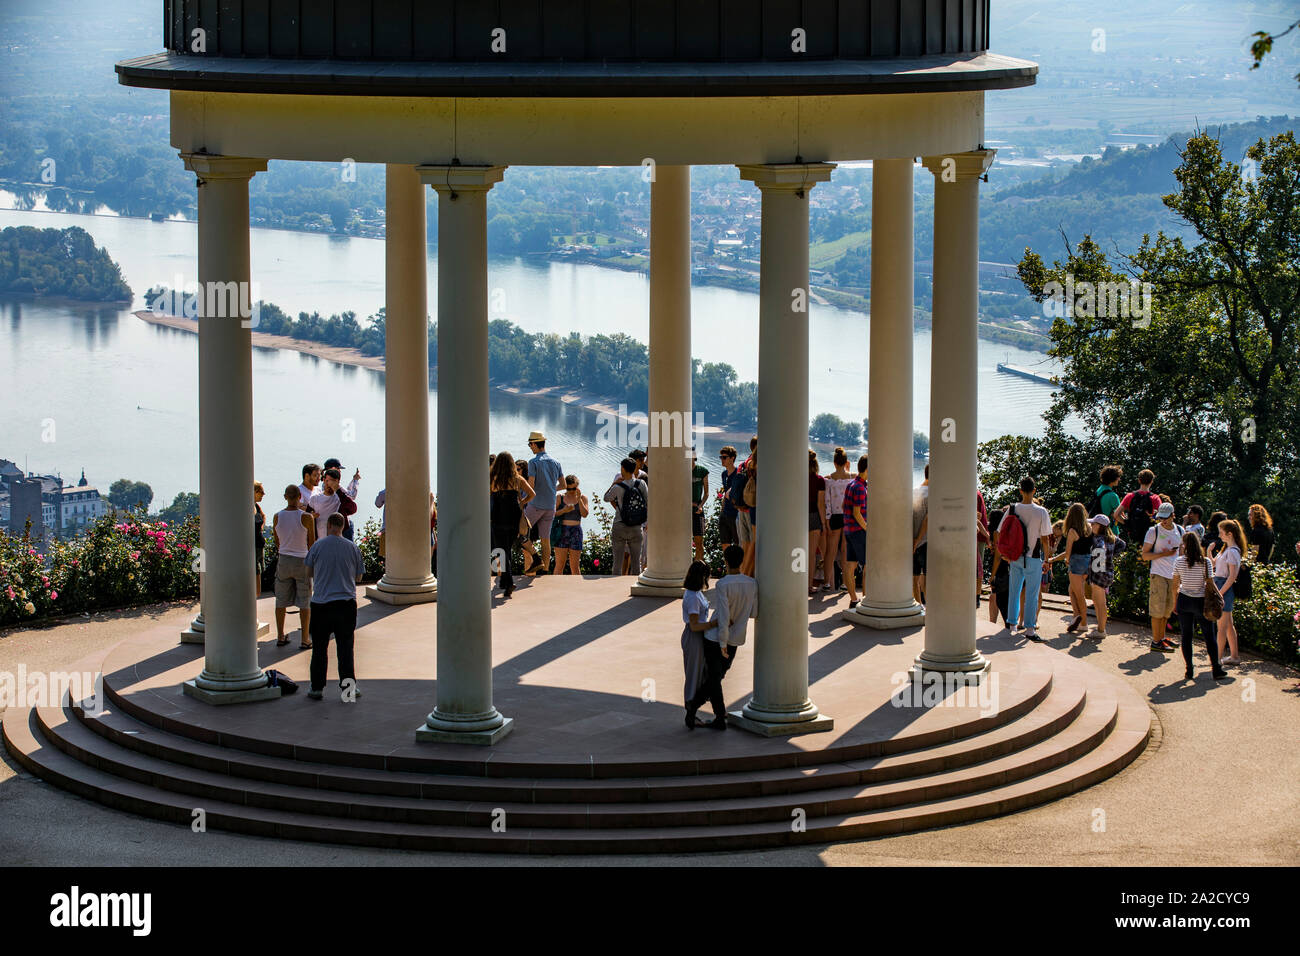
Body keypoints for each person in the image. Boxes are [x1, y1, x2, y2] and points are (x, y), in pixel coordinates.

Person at [687, 545, 756, 732]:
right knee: (717, 677)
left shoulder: (723, 584)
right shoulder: (752, 584)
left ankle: (694, 707)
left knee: (715, 678)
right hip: (734, 639)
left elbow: (724, 616)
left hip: (715, 638)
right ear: (742, 561)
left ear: (725, 561)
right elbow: (754, 612)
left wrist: (722, 643)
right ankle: (717, 716)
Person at [304, 513, 365, 701]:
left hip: (321, 604)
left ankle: (316, 688)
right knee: (346, 648)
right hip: (346, 604)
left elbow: (308, 572)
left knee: (319, 649)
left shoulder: (317, 546)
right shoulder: (352, 548)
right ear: (343, 526)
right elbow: (359, 577)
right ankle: (348, 691)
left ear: (329, 525)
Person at [999, 477, 1052, 641]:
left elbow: (1001, 531)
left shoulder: (1013, 508)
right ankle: (1029, 628)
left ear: (1020, 491)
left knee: (1014, 591)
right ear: (1034, 491)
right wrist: (1047, 559)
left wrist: (1005, 554)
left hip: (1015, 556)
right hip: (1034, 557)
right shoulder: (1041, 511)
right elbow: (1045, 538)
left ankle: (1012, 625)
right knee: (1032, 594)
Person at [1171, 531, 1226, 681]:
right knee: (1209, 636)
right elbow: (1210, 583)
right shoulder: (1206, 562)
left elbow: (1175, 584)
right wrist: (1220, 597)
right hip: (1201, 601)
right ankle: (1216, 668)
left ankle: (1189, 669)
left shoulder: (1179, 561)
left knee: (1186, 636)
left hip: (1184, 600)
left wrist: (1174, 602)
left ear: (1184, 545)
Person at [273, 484, 316, 647]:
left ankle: (280, 635)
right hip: (302, 560)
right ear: (299, 497)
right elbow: (311, 542)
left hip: (283, 559)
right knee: (305, 600)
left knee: (281, 600)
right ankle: (305, 639)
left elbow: (277, 540)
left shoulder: (277, 516)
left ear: (285, 497)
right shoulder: (306, 517)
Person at [680, 560, 719, 730]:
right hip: (694, 637)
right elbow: (695, 625)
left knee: (700, 673)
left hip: (698, 637)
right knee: (694, 674)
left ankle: (693, 708)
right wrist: (714, 624)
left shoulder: (695, 593)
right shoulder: (693, 597)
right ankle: (690, 712)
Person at [1141, 501, 1184, 652]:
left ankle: (1162, 637)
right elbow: (1145, 555)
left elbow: (1182, 553)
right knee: (1157, 608)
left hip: (1174, 575)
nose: (1163, 521)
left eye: (1166, 517)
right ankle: (1156, 640)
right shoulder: (1153, 531)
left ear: (1173, 515)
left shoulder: (1180, 530)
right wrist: (1163, 554)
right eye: (1161, 518)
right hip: (1158, 573)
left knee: (1168, 609)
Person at [490, 452, 532, 598]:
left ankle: (507, 581)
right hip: (514, 517)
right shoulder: (517, 479)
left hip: (498, 517)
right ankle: (505, 581)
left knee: (499, 549)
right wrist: (522, 502)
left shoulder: (493, 479)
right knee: (506, 549)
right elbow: (532, 493)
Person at [523, 431, 564, 575]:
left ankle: (535, 558)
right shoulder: (556, 462)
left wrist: (522, 500)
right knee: (545, 540)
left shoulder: (533, 462)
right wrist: (551, 489)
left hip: (535, 505)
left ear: (534, 444)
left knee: (520, 532)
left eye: (530, 444)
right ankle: (545, 570)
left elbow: (531, 486)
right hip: (550, 506)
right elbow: (563, 485)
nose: (530, 447)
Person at [604, 457, 648, 576]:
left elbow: (606, 498)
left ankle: (615, 590)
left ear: (623, 469)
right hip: (636, 526)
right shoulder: (641, 484)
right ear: (634, 469)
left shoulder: (618, 487)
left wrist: (614, 483)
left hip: (620, 525)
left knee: (617, 563)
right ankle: (636, 590)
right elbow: (648, 502)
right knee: (636, 563)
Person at [1214, 519, 1247, 665]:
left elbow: (1232, 576)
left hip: (1224, 586)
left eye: (1222, 533)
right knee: (1227, 625)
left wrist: (1220, 593)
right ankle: (1234, 656)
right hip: (1221, 584)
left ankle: (1218, 658)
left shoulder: (1232, 551)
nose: (1220, 536)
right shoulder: (1227, 549)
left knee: (1221, 627)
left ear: (1230, 534)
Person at [1085, 514, 1124, 637]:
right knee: (1099, 601)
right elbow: (1123, 544)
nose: (1091, 526)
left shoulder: (1099, 540)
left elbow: (1100, 551)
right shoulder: (1111, 538)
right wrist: (1111, 556)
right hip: (1107, 572)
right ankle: (1100, 628)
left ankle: (1101, 630)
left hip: (1099, 574)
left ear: (1099, 526)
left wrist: (1098, 569)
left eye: (1093, 524)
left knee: (1100, 603)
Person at [1058, 503, 1092, 634]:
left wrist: (1067, 561)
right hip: (1087, 561)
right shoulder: (1089, 528)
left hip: (1076, 561)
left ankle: (1083, 622)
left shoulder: (1072, 531)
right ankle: (1076, 615)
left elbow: (1068, 551)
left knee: (1079, 594)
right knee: (1072, 590)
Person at [823, 447, 852, 594]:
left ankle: (827, 582)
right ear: (846, 462)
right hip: (847, 516)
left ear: (834, 462)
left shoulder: (829, 480)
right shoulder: (851, 479)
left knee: (831, 551)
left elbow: (827, 501)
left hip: (834, 516)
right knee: (846, 550)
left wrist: (827, 519)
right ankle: (846, 583)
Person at [842, 455, 869, 609]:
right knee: (867, 566)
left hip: (849, 530)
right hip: (859, 531)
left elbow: (843, 505)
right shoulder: (860, 488)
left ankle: (854, 599)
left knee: (850, 565)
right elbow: (857, 513)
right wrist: (868, 529)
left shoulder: (851, 484)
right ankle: (866, 601)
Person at [552, 474, 588, 575]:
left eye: (574, 488)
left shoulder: (583, 498)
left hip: (576, 530)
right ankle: (555, 588)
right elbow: (552, 514)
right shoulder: (560, 497)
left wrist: (579, 499)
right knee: (559, 564)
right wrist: (564, 510)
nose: (571, 491)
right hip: (562, 530)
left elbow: (584, 514)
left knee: (575, 566)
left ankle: (576, 589)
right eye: (569, 489)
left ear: (577, 486)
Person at [1118, 469, 1162, 545]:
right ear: (1151, 481)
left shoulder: (1130, 496)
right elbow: (1162, 516)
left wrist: (1127, 524)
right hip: (1149, 534)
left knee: (1134, 553)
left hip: (1133, 533)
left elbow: (1116, 514)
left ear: (1139, 480)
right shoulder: (1155, 498)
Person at [324, 457, 360, 540]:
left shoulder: (324, 486)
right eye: (338, 469)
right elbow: (351, 496)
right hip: (340, 523)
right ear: (333, 468)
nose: (340, 471)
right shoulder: (335, 486)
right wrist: (355, 481)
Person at [807, 449, 827, 596]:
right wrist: (824, 524)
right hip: (814, 517)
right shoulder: (819, 480)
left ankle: (798, 582)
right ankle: (808, 585)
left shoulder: (798, 477)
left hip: (799, 516)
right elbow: (821, 504)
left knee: (800, 551)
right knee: (812, 554)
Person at [986, 506, 1011, 626]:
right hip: (1006, 565)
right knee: (1004, 597)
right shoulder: (1005, 532)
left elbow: (997, 556)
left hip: (998, 567)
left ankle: (993, 622)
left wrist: (992, 575)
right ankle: (1008, 623)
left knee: (996, 596)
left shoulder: (994, 534)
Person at [307, 468, 344, 541]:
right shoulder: (314, 498)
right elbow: (306, 517)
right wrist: (311, 516)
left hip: (336, 540)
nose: (329, 484)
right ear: (323, 480)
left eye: (332, 482)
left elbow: (352, 508)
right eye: (327, 481)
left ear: (338, 482)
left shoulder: (339, 499)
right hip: (319, 541)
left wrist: (338, 490)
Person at [911, 464, 929, 604]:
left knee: (914, 578)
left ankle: (918, 606)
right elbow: (927, 520)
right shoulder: (932, 494)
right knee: (928, 578)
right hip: (925, 540)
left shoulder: (914, 491)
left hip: (911, 540)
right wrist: (918, 540)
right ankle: (929, 610)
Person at [718, 446, 740, 548]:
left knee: (737, 546)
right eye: (721, 457)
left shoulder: (738, 475)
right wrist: (722, 511)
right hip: (724, 514)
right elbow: (725, 493)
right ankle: (728, 565)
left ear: (732, 458)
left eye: (724, 457)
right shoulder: (723, 474)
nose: (722, 460)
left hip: (735, 515)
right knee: (725, 546)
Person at [691, 450, 709, 563]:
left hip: (698, 511)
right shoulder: (681, 471)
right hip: (684, 511)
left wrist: (700, 506)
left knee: (699, 542)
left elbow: (706, 493)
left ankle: (699, 568)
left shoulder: (702, 471)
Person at [254, 480, 267, 601]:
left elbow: (263, 516)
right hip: (253, 548)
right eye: (260, 491)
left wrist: (261, 529)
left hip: (258, 546)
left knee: (258, 574)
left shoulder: (256, 506)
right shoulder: (250, 506)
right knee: (255, 576)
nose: (263, 494)